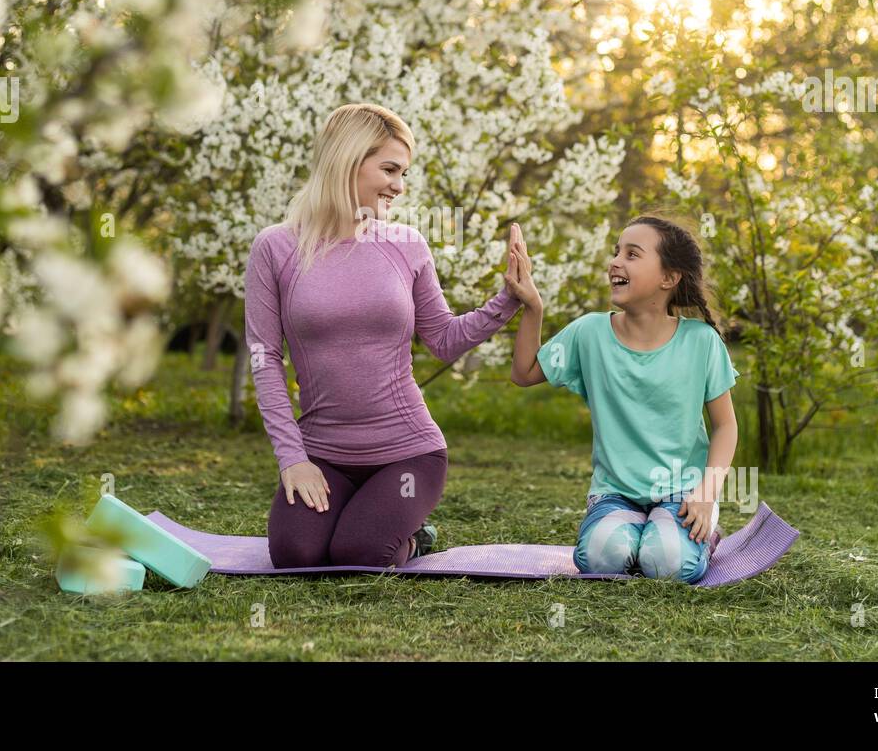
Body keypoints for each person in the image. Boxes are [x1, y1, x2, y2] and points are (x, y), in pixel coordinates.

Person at [244, 102, 528, 568]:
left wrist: (507, 299)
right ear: (347, 160)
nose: (399, 186)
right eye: (390, 169)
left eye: (405, 173)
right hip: (323, 454)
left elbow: (443, 338)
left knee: (361, 552)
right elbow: (264, 358)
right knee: (295, 555)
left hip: (408, 455)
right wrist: (293, 459)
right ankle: (352, 514)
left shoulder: (407, 244)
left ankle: (417, 537)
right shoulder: (276, 248)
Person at [508, 214, 740, 584]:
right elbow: (524, 373)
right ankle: (637, 536)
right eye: (617, 252)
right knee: (602, 558)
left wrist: (706, 493)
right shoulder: (589, 332)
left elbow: (726, 426)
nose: (615, 262)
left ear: (668, 278)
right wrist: (533, 306)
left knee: (668, 564)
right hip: (615, 494)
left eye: (633, 254)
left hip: (681, 492)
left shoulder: (701, 342)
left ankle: (700, 533)